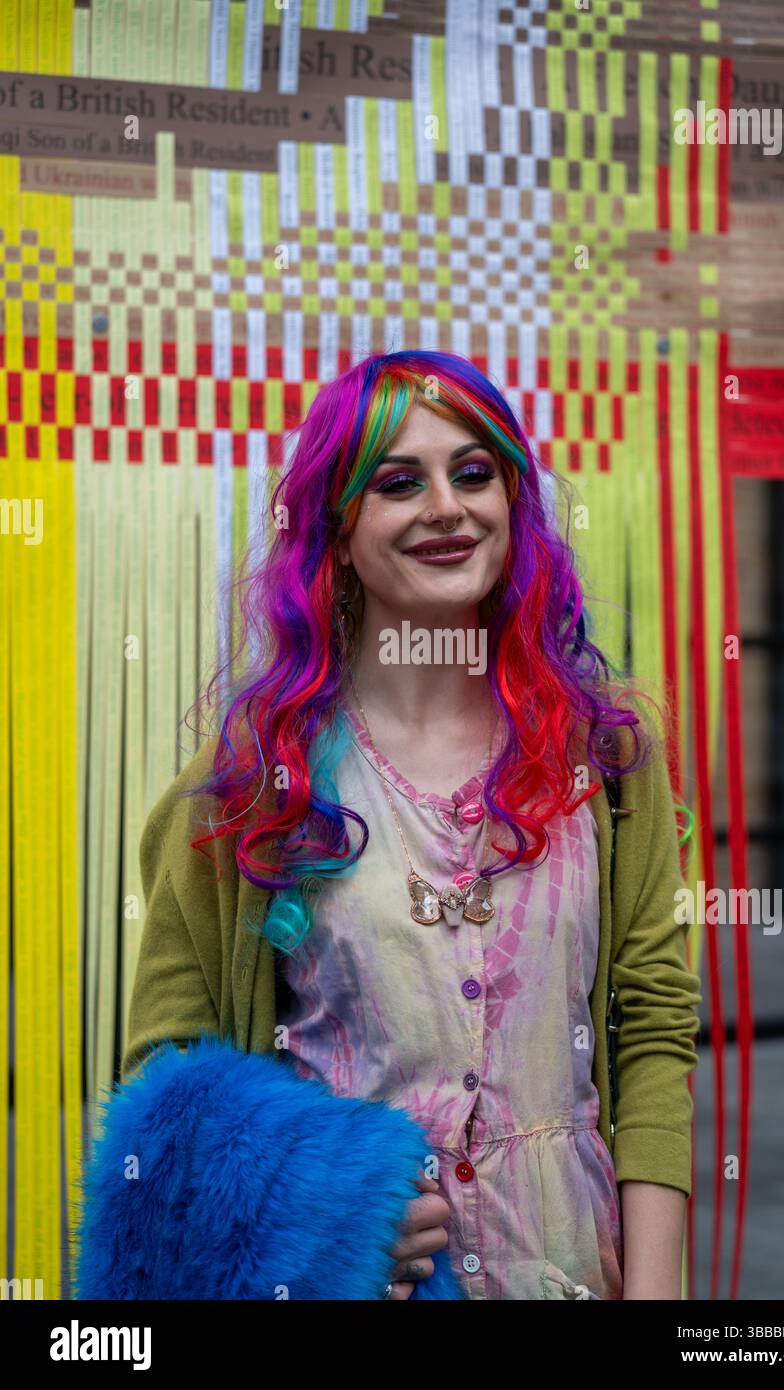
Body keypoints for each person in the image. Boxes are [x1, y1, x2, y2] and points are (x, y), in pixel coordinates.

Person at [122, 350, 702, 1301]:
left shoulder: (607, 759)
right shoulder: (250, 786)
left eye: (475, 473)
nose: (448, 505)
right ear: (336, 530)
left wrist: (658, 1294)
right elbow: (171, 1089)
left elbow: (650, 1036)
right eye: (399, 481)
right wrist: (323, 1207)